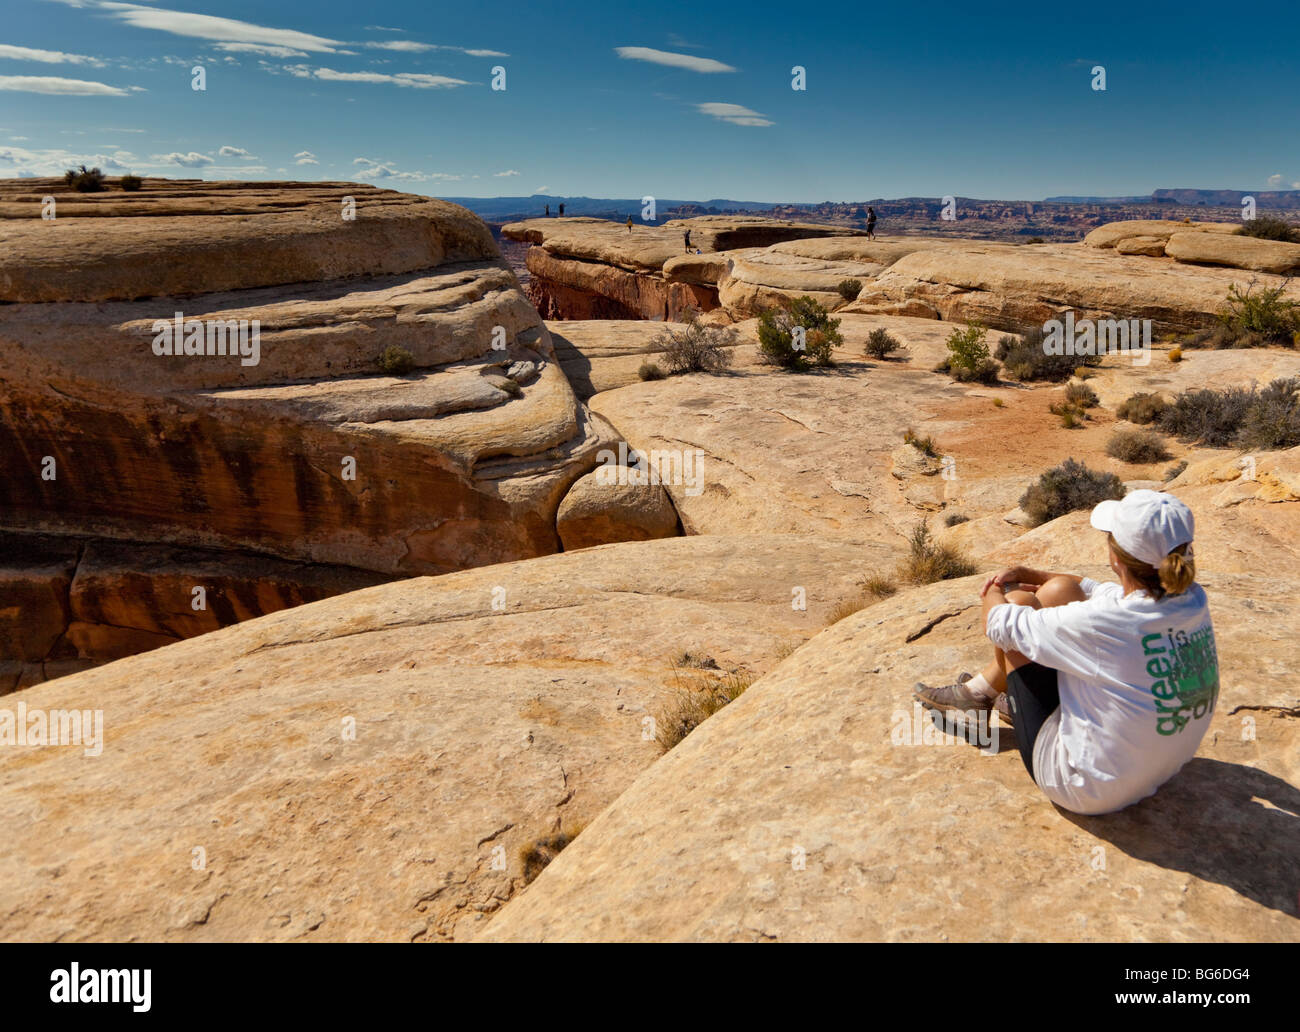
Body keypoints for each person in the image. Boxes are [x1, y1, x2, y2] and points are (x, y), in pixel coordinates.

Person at [913, 490, 1219, 815]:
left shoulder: (1105, 623)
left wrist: (994, 589)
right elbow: (1095, 590)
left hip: (1082, 786)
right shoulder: (1192, 598)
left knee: (1019, 606)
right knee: (1062, 589)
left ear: (1116, 557)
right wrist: (1038, 576)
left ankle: (977, 694)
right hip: (1161, 766)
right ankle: (983, 696)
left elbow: (999, 625)